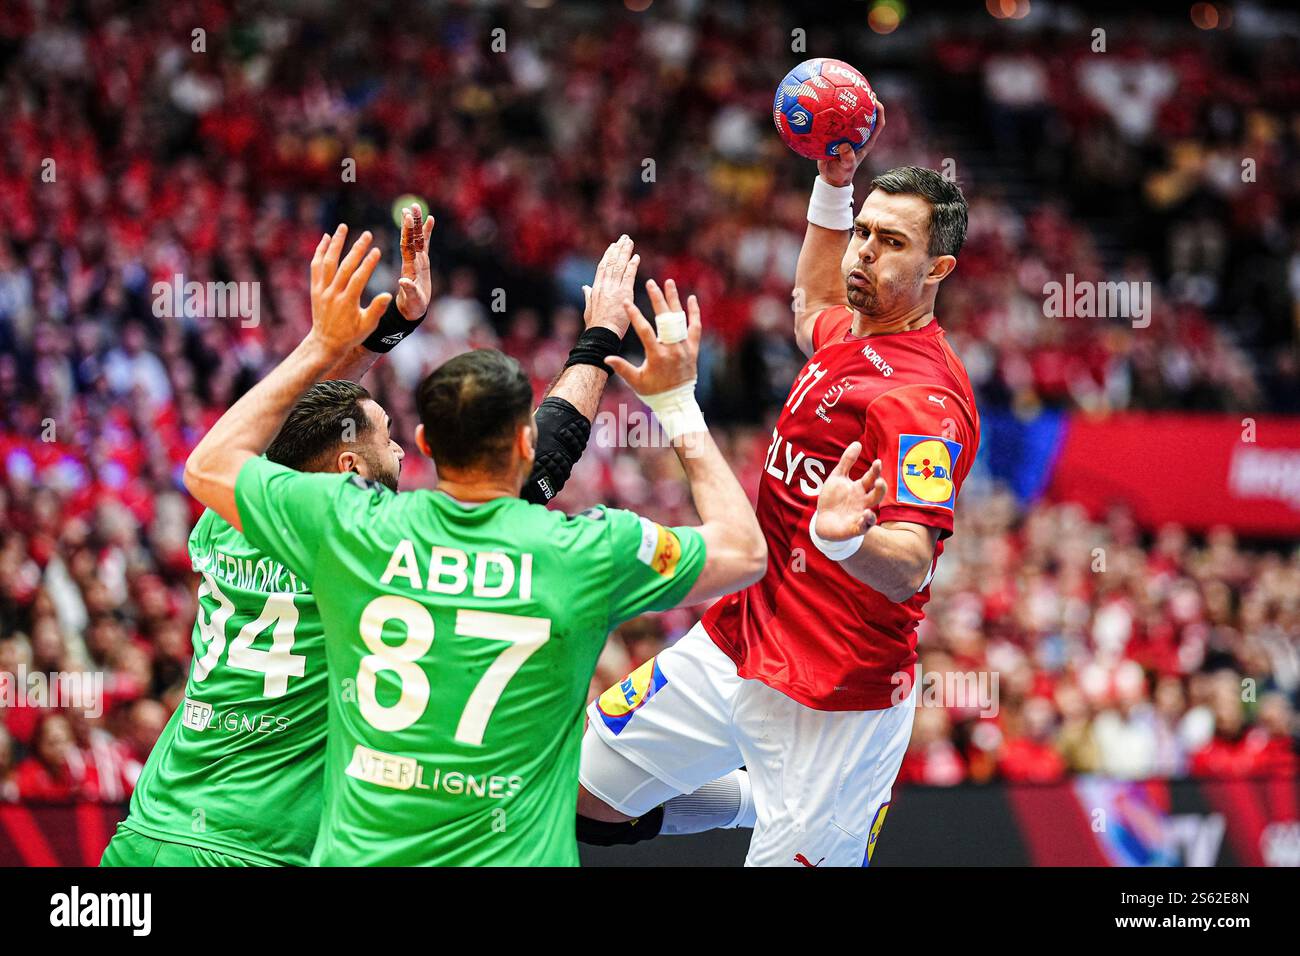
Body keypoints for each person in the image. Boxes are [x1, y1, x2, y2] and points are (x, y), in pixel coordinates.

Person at [176, 223, 765, 865]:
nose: (400, 447)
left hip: (166, 820)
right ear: (520, 443)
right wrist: (664, 393)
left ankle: (748, 801)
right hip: (275, 846)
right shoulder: (559, 551)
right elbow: (740, 549)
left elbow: (262, 439)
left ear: (430, 443)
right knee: (582, 787)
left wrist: (353, 338)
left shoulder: (307, 528)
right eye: (383, 436)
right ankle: (755, 801)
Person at [101, 212, 631, 866]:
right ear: (351, 469)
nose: (405, 450)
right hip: (259, 849)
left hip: (152, 828)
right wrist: (599, 339)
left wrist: (382, 331)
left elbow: (294, 428)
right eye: (387, 435)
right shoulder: (373, 547)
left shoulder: (223, 510)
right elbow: (539, 460)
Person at [576, 101, 983, 867]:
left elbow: (911, 563)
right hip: (740, 635)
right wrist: (833, 184)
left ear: (937, 271)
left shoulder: (922, 401)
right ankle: (760, 799)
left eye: (890, 242)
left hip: (833, 693)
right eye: (861, 231)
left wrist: (849, 536)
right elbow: (813, 304)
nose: (862, 252)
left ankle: (813, 807)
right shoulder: (848, 335)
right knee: (581, 799)